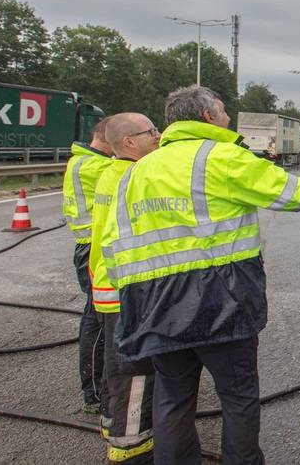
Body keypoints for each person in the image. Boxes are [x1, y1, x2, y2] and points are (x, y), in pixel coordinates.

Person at [100, 85, 300, 464]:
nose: (227, 117)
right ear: (207, 117)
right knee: (237, 396)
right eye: (222, 111)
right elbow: (295, 194)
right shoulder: (220, 157)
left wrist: (133, 306)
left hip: (153, 306)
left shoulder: (136, 172)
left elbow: (113, 244)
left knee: (172, 399)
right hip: (221, 301)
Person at [91, 113, 162, 463]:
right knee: (135, 370)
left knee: (114, 365)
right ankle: (131, 446)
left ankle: (111, 423)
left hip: (107, 283)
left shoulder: (109, 174)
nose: (158, 136)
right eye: (150, 132)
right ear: (129, 142)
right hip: (128, 286)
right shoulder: (134, 177)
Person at [63, 117, 114, 414]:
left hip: (93, 247)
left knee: (100, 318)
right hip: (94, 249)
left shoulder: (85, 162)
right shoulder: (96, 167)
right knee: (98, 319)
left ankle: (99, 387)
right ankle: (95, 391)